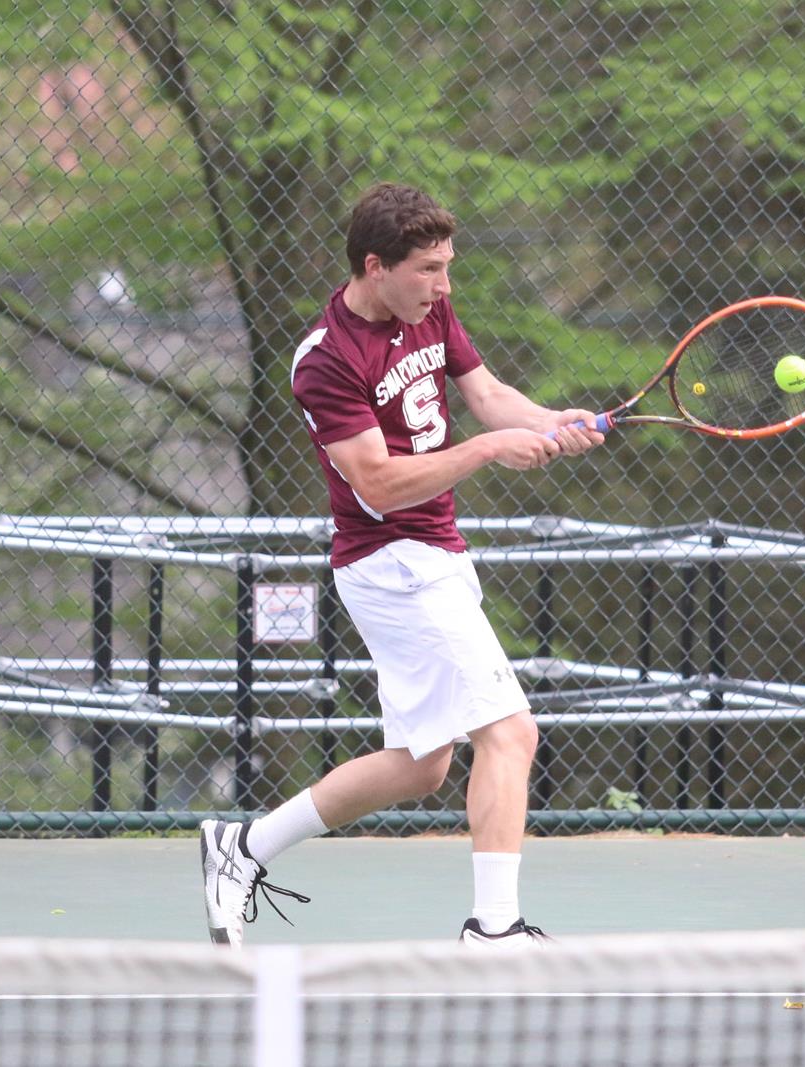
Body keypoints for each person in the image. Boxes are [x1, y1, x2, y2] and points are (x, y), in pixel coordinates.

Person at [199, 182, 603, 949]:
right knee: (512, 733)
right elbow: (378, 484)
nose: (444, 285)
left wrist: (551, 420)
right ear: (375, 266)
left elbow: (485, 393)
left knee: (422, 766)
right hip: (390, 563)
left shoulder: (429, 310)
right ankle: (494, 930)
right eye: (429, 269)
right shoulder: (325, 361)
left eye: (447, 266)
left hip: (437, 555)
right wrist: (488, 451)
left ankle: (242, 847)